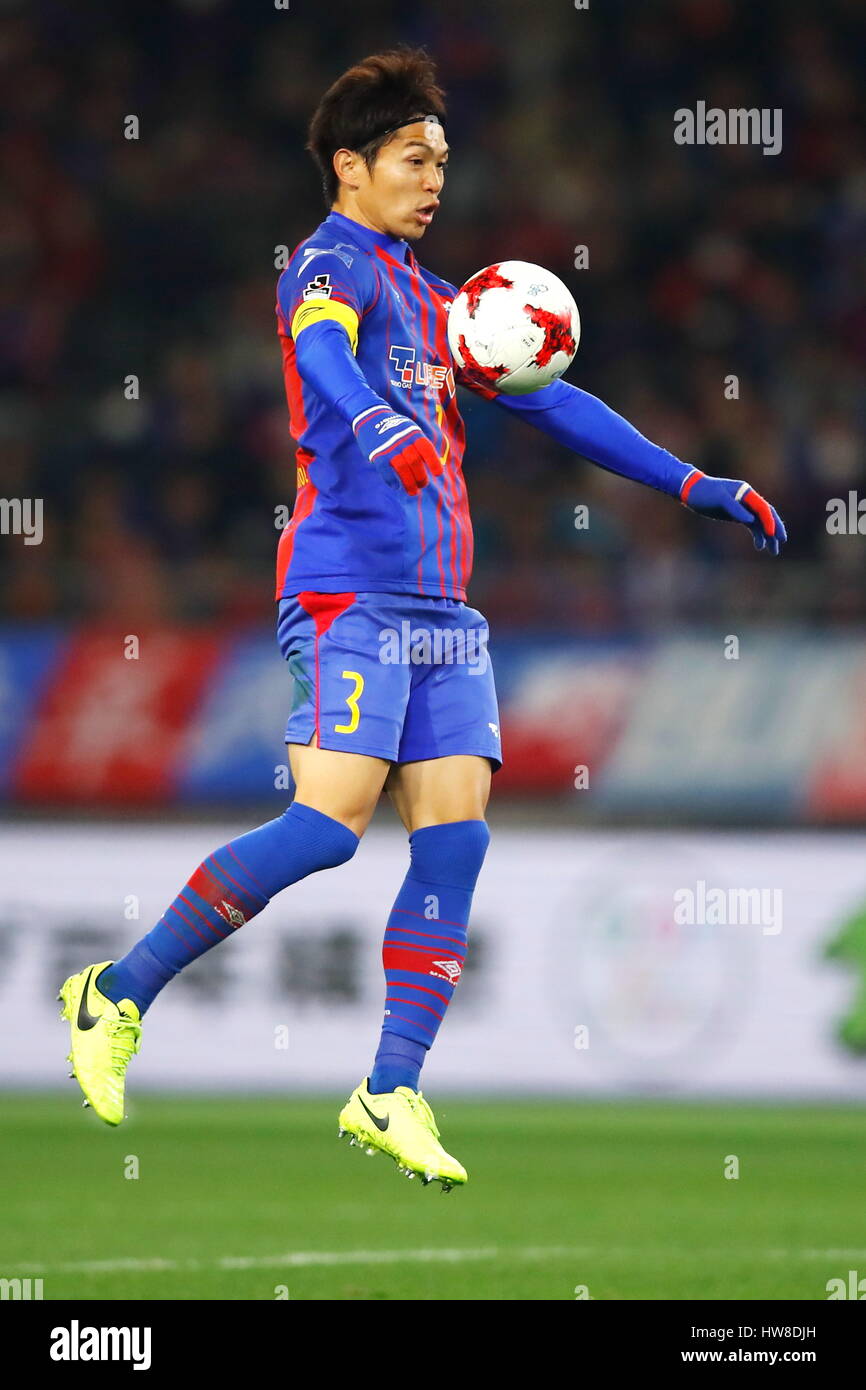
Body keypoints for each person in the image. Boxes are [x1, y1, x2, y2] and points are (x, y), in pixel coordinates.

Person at [60, 46, 785, 1193]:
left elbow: (560, 404)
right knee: (331, 821)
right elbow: (318, 351)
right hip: (348, 593)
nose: (433, 177)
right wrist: (372, 424)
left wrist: (691, 482)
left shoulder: (444, 305)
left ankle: (388, 1085)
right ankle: (118, 989)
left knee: (456, 831)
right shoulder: (328, 263)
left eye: (442, 159)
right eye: (412, 157)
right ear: (351, 167)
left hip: (445, 613)